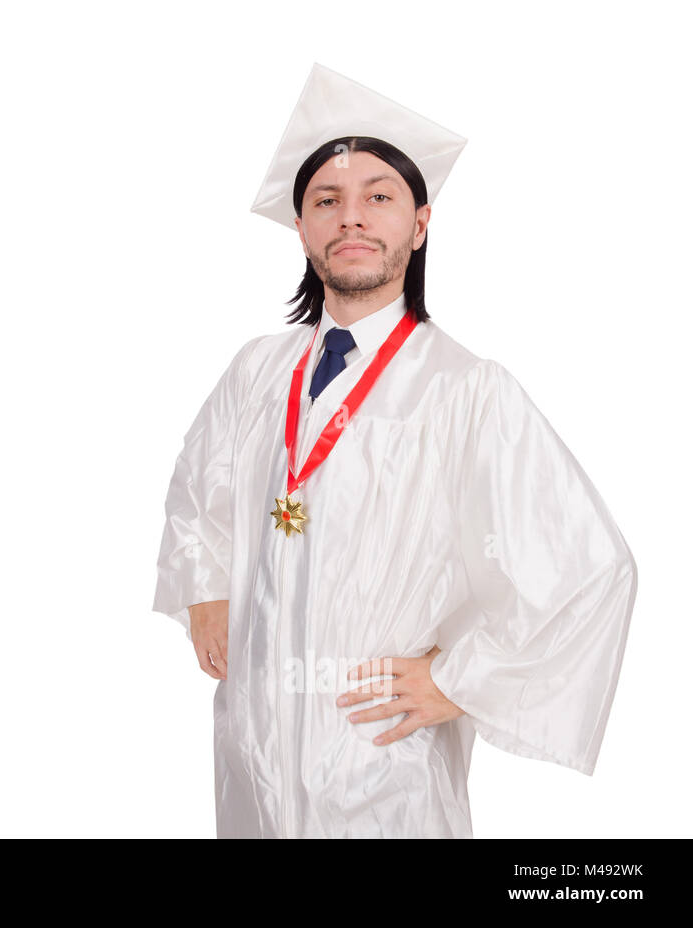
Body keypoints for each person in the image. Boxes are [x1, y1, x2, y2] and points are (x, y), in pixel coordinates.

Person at [151, 63, 636, 838]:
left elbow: (586, 567)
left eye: (379, 197)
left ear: (418, 224)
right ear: (301, 226)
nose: (352, 219)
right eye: (327, 201)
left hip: (383, 769)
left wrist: (458, 681)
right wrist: (204, 589)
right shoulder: (256, 373)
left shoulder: (467, 392)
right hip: (252, 757)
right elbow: (195, 493)